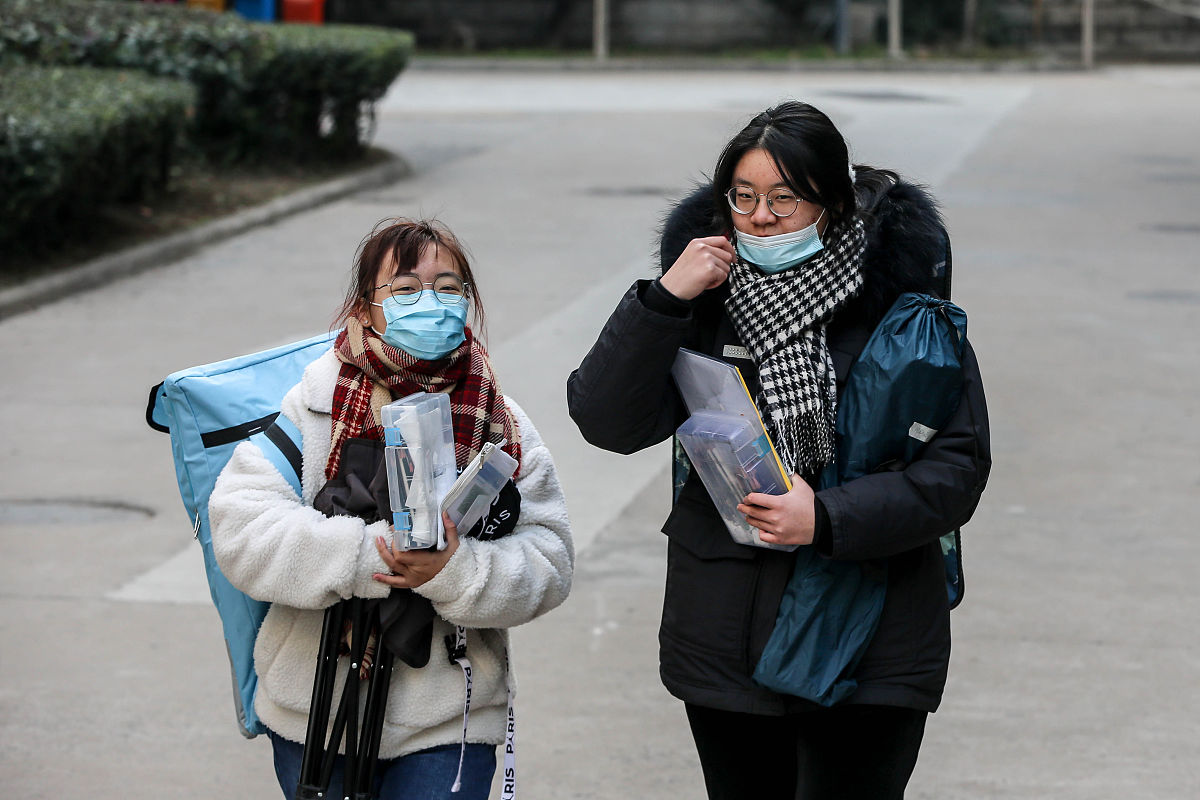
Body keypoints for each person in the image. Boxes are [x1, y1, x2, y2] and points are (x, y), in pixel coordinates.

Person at [566, 101, 990, 799]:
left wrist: (825, 519)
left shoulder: (905, 312)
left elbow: (957, 472)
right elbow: (608, 421)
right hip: (728, 631)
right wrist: (666, 299)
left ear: (834, 204)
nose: (760, 217)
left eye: (785, 199)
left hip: (870, 636)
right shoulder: (705, 299)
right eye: (743, 197)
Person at [209, 218, 574, 800]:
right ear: (365, 306)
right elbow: (241, 530)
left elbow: (549, 561)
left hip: (448, 722)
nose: (429, 302)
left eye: (449, 288)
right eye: (404, 290)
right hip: (314, 711)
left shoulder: (500, 424)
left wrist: (453, 571)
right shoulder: (314, 408)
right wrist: (369, 555)